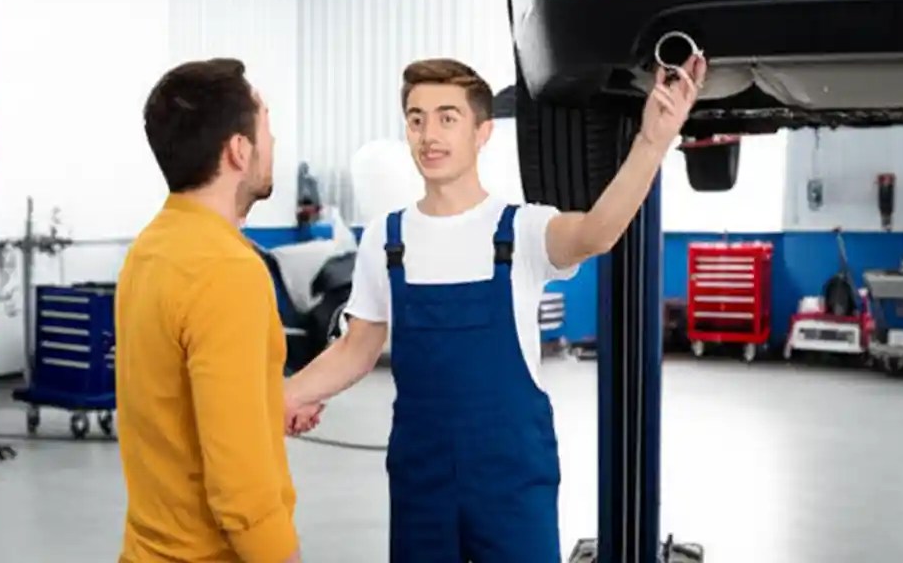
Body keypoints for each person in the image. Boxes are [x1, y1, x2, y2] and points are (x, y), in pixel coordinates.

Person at [282, 55, 704, 562]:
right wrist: (279, 398)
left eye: (447, 117)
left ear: (481, 132)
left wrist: (652, 142)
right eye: (416, 119)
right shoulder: (386, 240)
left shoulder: (521, 230)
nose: (429, 135)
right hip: (422, 480)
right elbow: (356, 350)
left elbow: (596, 232)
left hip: (511, 478)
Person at [115, 58, 304, 563]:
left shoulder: (150, 250)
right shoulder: (227, 270)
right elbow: (240, 482)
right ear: (239, 151)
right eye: (267, 127)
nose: (274, 144)